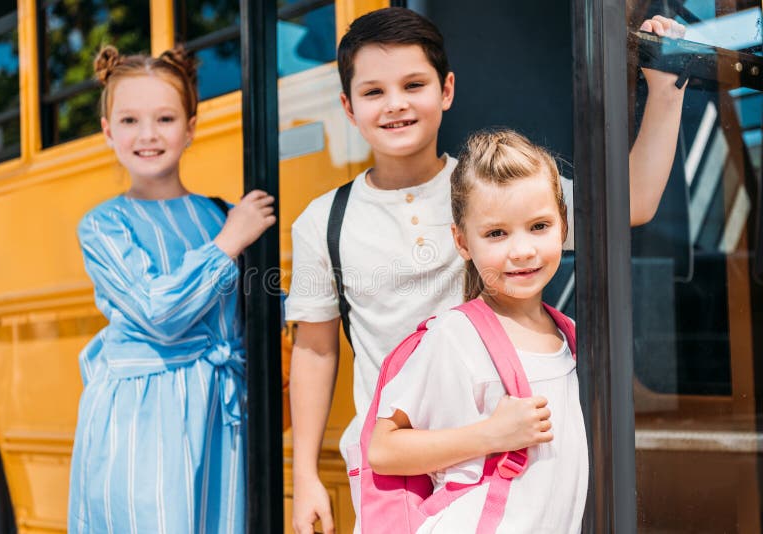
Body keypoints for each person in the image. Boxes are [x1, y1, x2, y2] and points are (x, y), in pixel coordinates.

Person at [287, 8, 685, 533]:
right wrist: (308, 473)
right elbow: (315, 350)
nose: (396, 104)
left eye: (414, 84)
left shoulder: (492, 193)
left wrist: (666, 90)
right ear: (347, 105)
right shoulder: (323, 221)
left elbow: (628, 203)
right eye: (373, 92)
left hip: (508, 465)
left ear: (446, 89)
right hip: (402, 472)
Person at [68, 45, 275, 533]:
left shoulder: (223, 213)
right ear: (107, 132)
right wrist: (228, 244)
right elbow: (158, 312)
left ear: (191, 127)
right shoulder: (104, 226)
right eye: (129, 120)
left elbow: (257, 308)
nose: (147, 135)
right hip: (143, 419)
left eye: (164, 118)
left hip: (219, 410)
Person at [368, 129, 583, 532]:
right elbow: (383, 448)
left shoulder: (570, 335)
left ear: (563, 224)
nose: (521, 250)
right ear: (462, 241)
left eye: (539, 226)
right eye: (496, 234)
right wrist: (491, 435)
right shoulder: (455, 336)